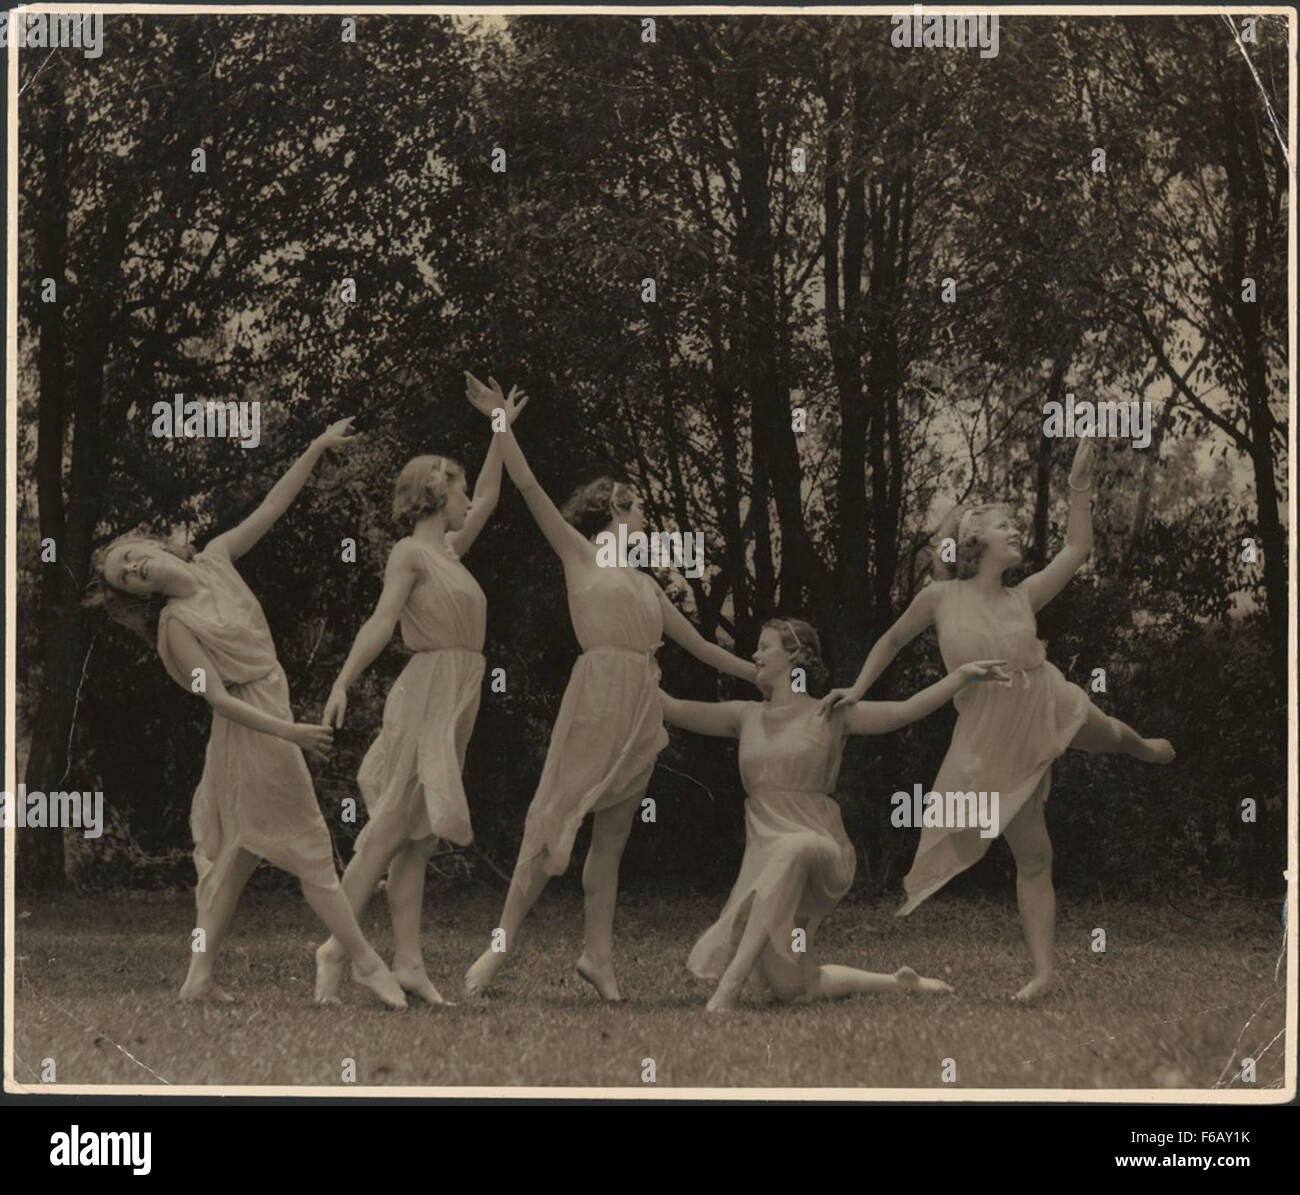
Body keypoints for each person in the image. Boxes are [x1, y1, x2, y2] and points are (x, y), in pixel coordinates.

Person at [821, 440, 1175, 1000]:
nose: (1016, 532)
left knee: (1111, 735)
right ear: (975, 541)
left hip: (1044, 700)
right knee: (1034, 854)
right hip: (990, 737)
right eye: (1005, 525)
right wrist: (857, 687)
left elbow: (1078, 547)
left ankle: (1146, 750)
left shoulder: (1024, 596)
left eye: (1016, 524)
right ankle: (1042, 975)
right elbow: (890, 640)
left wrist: (1078, 483)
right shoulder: (940, 597)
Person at [86, 419, 406, 1008]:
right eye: (125, 578)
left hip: (271, 704)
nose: (134, 569)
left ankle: (197, 978)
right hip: (253, 725)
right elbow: (218, 699)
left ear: (152, 545)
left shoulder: (216, 559)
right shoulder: (174, 626)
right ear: (137, 595)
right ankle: (362, 960)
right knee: (309, 843)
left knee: (239, 856)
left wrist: (312, 446)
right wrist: (292, 734)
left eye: (132, 557)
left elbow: (272, 507)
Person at [462, 373, 757, 1002]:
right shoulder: (579, 554)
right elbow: (528, 487)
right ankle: (499, 949)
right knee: (554, 820)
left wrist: (761, 676)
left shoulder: (646, 584)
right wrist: (499, 423)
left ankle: (599, 957)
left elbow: (702, 648)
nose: (646, 512)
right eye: (639, 504)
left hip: (640, 707)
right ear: (615, 508)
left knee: (613, 839)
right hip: (596, 697)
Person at [662, 617, 1004, 1012]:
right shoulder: (744, 715)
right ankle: (899, 983)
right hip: (766, 863)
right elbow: (672, 708)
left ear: (794, 656)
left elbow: (907, 710)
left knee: (796, 845)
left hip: (821, 850)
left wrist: (961, 676)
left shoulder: (830, 713)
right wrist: (623, 664)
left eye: (764, 646)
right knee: (795, 988)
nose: (754, 654)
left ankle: (730, 987)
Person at [313, 387, 528, 1005]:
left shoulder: (451, 553)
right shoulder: (412, 553)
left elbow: (488, 495)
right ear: (436, 494)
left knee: (417, 834)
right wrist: (343, 681)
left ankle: (408, 961)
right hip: (426, 692)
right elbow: (382, 622)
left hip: (457, 696)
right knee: (387, 829)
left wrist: (497, 426)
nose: (467, 499)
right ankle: (335, 948)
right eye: (457, 490)